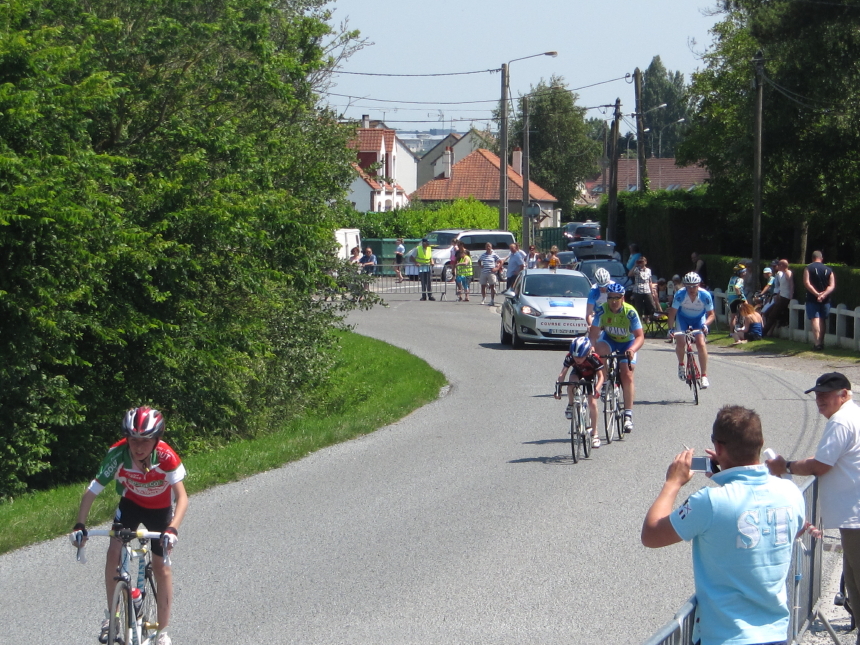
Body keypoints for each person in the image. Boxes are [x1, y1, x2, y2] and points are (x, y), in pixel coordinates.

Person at [642, 405, 806, 645]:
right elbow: (795, 528)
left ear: (718, 448)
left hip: (723, 636)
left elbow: (652, 534)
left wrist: (673, 483)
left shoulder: (709, 502)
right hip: (775, 634)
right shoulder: (790, 492)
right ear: (760, 442)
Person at [71, 407, 188, 645]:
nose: (138, 446)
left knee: (160, 565)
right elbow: (92, 490)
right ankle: (110, 617)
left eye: (145, 441)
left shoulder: (166, 456)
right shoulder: (117, 454)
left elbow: (182, 497)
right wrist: (80, 524)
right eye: (133, 440)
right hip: (131, 503)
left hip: (160, 510)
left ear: (156, 440)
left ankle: (162, 630)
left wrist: (172, 528)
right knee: (113, 551)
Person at [767, 372, 860, 643]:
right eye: (817, 394)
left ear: (844, 394)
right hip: (852, 515)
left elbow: (820, 465)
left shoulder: (841, 421)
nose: (819, 399)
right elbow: (825, 458)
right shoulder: (852, 415)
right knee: (853, 581)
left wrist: (785, 466)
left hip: (855, 517)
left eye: (826, 394)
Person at [588, 282, 645, 433]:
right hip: (610, 339)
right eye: (610, 297)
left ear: (622, 298)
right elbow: (593, 335)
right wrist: (592, 348)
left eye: (617, 298)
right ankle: (606, 382)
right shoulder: (601, 310)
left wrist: (632, 349)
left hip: (628, 342)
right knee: (600, 351)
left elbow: (640, 336)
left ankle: (628, 415)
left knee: (626, 374)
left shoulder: (630, 312)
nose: (613, 301)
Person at [666, 272, 715, 389]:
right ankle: (681, 365)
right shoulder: (680, 294)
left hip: (699, 319)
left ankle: (704, 376)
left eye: (694, 286)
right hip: (683, 319)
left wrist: (706, 324)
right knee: (681, 341)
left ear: (699, 285)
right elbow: (672, 313)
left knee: (701, 343)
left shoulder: (705, 295)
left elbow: (711, 315)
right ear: (685, 286)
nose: (691, 289)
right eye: (688, 286)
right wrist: (670, 329)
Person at [554, 337, 605, 449]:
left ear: (587, 353)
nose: (577, 359)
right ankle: (571, 404)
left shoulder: (593, 358)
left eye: (581, 357)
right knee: (571, 382)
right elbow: (562, 374)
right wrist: (558, 389)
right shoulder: (570, 357)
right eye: (575, 356)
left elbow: (601, 376)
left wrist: (596, 389)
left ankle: (594, 434)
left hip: (591, 376)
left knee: (592, 403)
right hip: (577, 373)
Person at [803, 250, 836, 351]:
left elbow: (807, 283)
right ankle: (821, 342)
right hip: (825, 299)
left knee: (815, 319)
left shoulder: (808, 268)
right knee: (822, 319)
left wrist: (816, 294)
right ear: (821, 258)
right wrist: (824, 294)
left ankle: (817, 343)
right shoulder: (829, 270)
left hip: (812, 298)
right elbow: (832, 285)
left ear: (812, 258)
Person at [763, 259, 793, 337]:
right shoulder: (781, 274)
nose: (777, 266)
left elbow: (791, 284)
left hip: (785, 297)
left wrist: (791, 296)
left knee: (773, 314)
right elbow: (781, 287)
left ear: (783, 265)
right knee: (769, 313)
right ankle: (765, 331)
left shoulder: (788, 273)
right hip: (781, 296)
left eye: (779, 265)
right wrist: (778, 295)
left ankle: (764, 332)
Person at [628, 255, 660, 320]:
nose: (641, 263)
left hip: (647, 289)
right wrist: (635, 265)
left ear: (645, 262)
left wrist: (652, 292)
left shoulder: (648, 270)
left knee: (651, 305)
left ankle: (655, 318)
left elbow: (650, 281)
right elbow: (629, 274)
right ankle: (639, 320)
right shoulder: (636, 269)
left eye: (642, 261)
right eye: (640, 261)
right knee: (639, 307)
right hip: (638, 290)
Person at [477, 242, 502, 306]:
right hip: (484, 272)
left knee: (492, 286)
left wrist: (497, 268)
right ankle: (483, 298)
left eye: (489, 246)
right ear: (485, 248)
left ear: (491, 247)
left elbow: (500, 261)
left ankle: (492, 300)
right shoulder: (483, 255)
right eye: (487, 246)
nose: (488, 248)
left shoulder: (494, 255)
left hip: (491, 272)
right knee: (483, 286)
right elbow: (479, 261)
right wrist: (481, 266)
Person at [726, 263, 747, 331]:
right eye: (744, 271)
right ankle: (746, 327)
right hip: (738, 297)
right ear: (740, 272)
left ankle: (731, 332)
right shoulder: (740, 279)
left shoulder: (731, 278)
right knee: (748, 311)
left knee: (733, 316)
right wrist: (740, 296)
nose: (745, 273)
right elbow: (737, 287)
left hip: (731, 299)